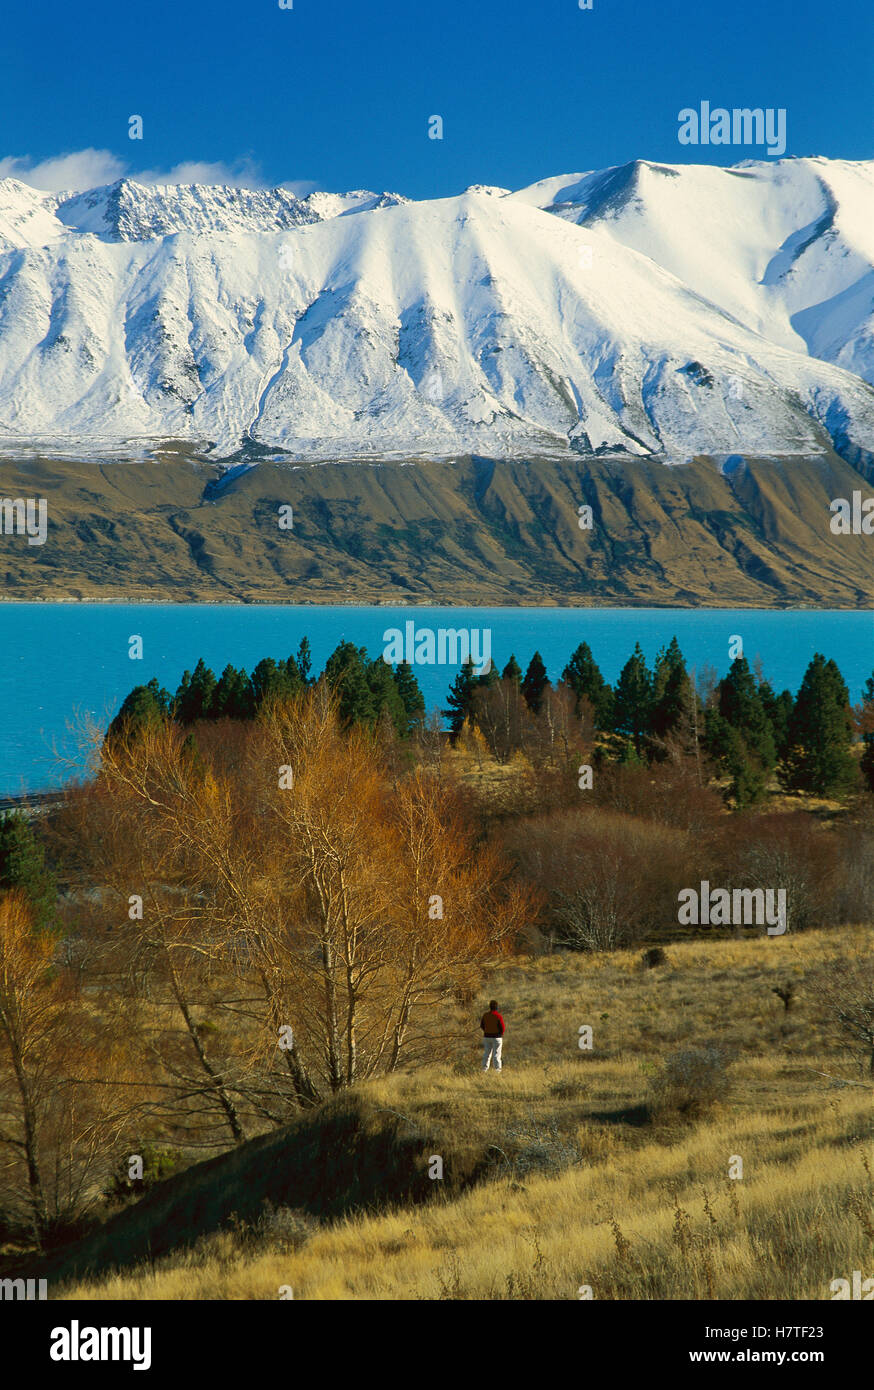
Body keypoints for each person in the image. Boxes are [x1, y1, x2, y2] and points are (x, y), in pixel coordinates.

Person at [480, 998, 505, 1071]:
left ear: (490, 1007)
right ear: (497, 1007)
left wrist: (487, 1031)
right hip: (497, 1037)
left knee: (486, 1054)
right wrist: (500, 1034)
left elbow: (482, 1025)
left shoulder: (485, 1015)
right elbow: (502, 1028)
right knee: (496, 1054)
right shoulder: (498, 1016)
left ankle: (484, 1069)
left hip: (487, 1037)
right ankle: (497, 1070)